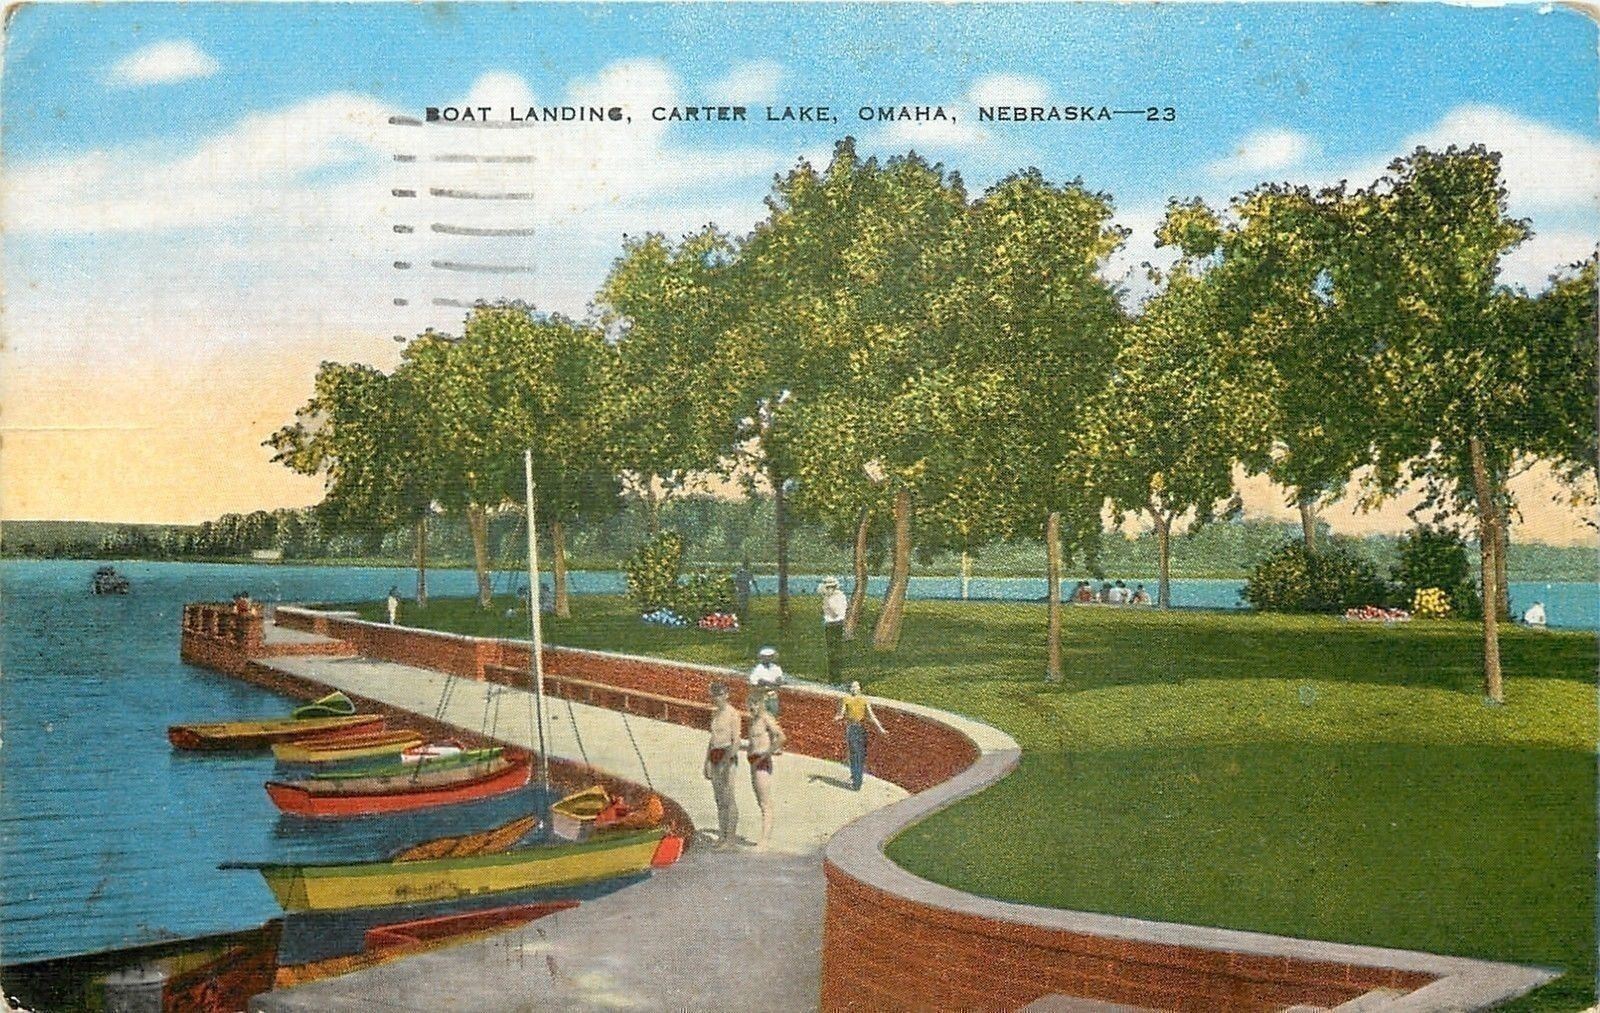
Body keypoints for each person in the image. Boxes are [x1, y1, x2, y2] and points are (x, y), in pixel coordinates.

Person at [745, 689, 787, 850]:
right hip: (754, 761)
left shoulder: (765, 718)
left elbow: (781, 737)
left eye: (755, 704)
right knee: (760, 802)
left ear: (761, 704)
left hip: (762, 762)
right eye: (750, 704)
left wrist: (766, 753)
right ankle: (763, 839)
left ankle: (764, 842)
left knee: (765, 804)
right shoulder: (753, 720)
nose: (752, 707)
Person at [704, 681, 742, 848]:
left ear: (726, 695)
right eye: (714, 695)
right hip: (715, 754)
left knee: (729, 798)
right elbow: (712, 740)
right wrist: (706, 761)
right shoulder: (715, 714)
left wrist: (727, 762)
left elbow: (736, 741)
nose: (716, 698)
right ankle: (722, 835)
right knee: (719, 799)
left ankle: (730, 839)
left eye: (719, 695)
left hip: (727, 754)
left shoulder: (733, 714)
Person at [834, 681, 888, 791]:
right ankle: (856, 779)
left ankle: (857, 778)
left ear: (859, 688)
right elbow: (842, 713)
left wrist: (880, 728)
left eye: (855, 687)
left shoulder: (863, 700)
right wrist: (837, 718)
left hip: (860, 729)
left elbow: (872, 716)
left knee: (859, 754)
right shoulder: (846, 699)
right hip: (853, 728)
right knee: (855, 754)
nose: (853, 689)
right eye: (851, 687)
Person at [819, 577, 848, 685]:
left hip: (837, 625)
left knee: (836, 651)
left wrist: (829, 603)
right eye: (827, 587)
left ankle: (837, 679)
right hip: (829, 625)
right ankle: (832, 678)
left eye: (831, 587)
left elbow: (838, 612)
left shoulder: (839, 597)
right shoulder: (827, 597)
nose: (829, 589)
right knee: (831, 652)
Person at [749, 646, 784, 716]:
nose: (767, 658)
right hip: (761, 696)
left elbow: (779, 681)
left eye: (769, 656)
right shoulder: (758, 669)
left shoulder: (776, 668)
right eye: (765, 657)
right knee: (760, 717)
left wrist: (768, 683)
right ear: (762, 657)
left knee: (773, 715)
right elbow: (758, 682)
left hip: (772, 696)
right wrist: (772, 684)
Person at [732, 559, 755, 624]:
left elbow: (736, 581)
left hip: (742, 589)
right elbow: (753, 581)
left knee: (742, 602)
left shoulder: (740, 572)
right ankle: (743, 617)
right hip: (744, 589)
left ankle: (742, 616)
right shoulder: (746, 572)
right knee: (744, 603)